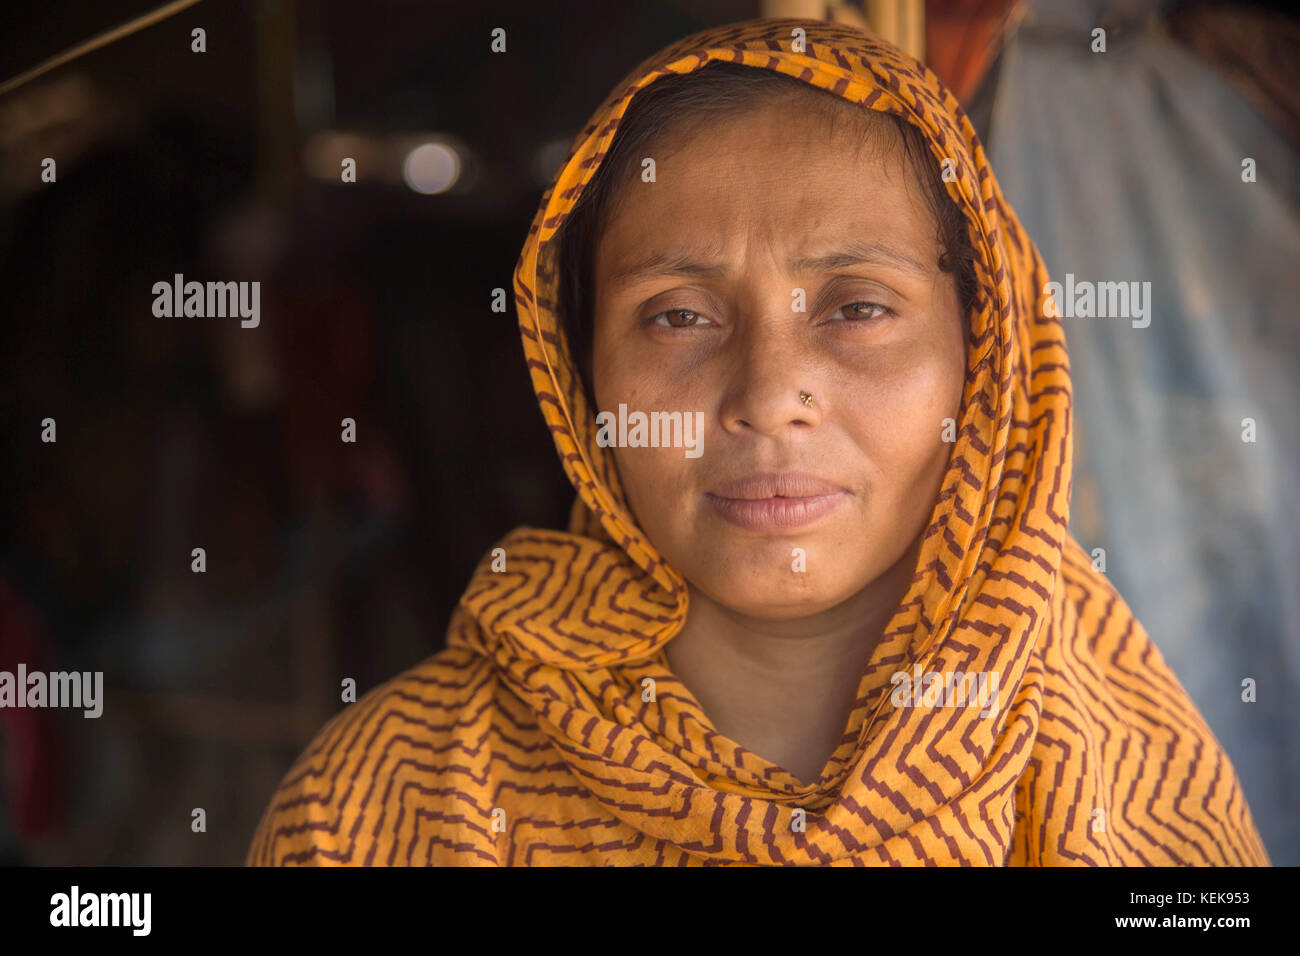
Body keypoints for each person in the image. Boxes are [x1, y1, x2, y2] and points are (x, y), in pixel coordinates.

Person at [246, 17, 1270, 866]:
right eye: (679, 316)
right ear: (579, 371)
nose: (769, 393)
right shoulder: (379, 810)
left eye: (858, 307)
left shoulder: (1127, 785)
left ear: (984, 352)